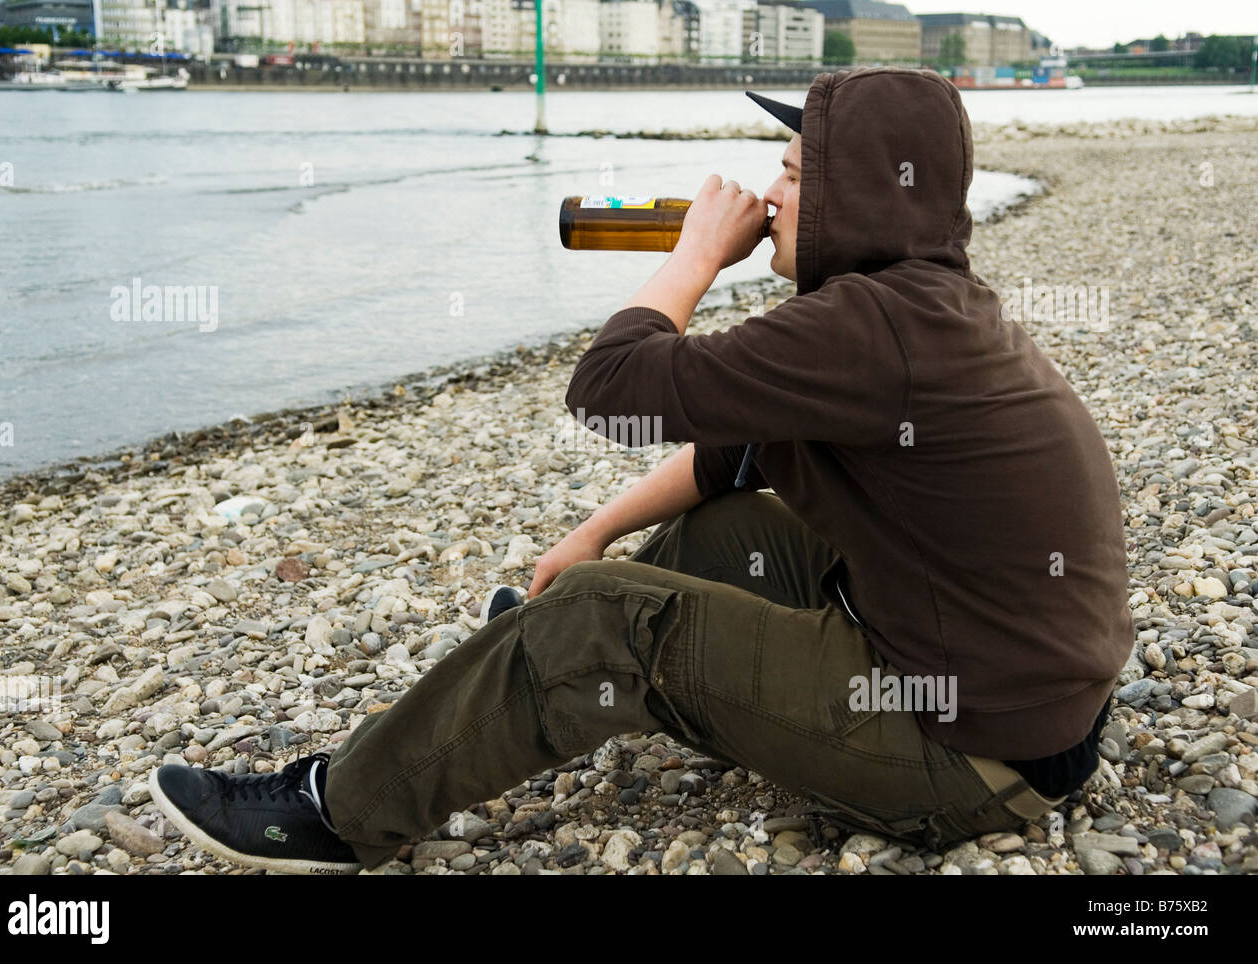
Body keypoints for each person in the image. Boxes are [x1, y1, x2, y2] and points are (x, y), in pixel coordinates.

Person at [150, 66, 1133, 875]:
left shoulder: (866, 323)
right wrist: (595, 534)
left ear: (861, 192)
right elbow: (735, 451)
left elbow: (610, 385)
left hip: (972, 754)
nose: (768, 193)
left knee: (601, 621)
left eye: (793, 171)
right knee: (718, 536)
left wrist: (692, 256)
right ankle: (542, 676)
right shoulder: (914, 304)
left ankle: (337, 811)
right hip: (1012, 694)